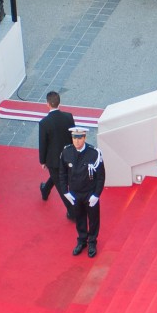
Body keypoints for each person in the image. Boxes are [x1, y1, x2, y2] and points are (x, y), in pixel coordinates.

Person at [57, 126, 106, 258]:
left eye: (79, 138)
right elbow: (62, 173)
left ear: (84, 138)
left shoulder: (94, 153)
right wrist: (65, 191)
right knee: (79, 217)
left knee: (94, 219)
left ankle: (92, 242)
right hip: (74, 193)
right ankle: (82, 240)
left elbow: (101, 176)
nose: (77, 141)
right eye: (74, 138)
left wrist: (96, 194)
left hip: (90, 193)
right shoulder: (66, 152)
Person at [37, 91, 75, 202]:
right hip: (68, 156)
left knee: (60, 186)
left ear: (47, 104)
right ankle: (45, 189)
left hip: (53, 160)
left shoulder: (44, 123)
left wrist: (42, 161)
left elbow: (43, 143)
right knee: (56, 177)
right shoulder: (68, 117)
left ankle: (71, 211)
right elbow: (73, 136)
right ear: (59, 103)